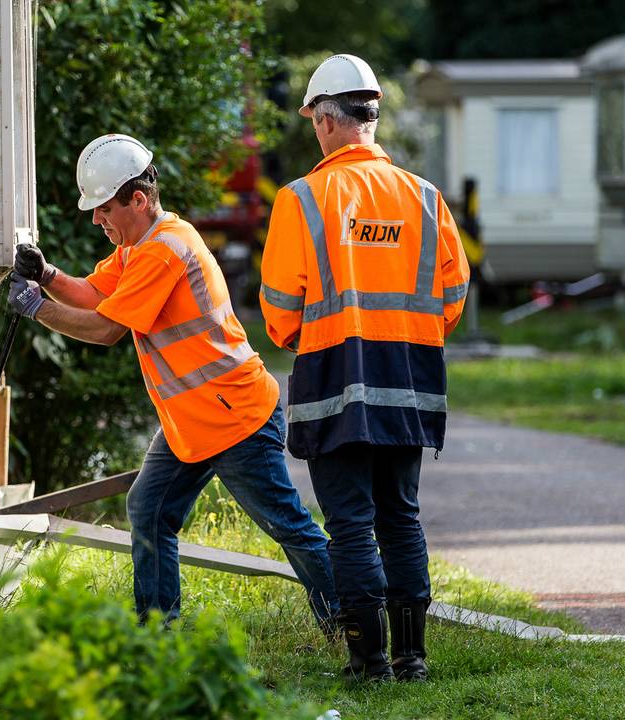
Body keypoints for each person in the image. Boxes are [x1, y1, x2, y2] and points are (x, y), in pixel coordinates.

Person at [8, 133, 339, 630]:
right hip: (196, 422)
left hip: (235, 418)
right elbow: (98, 293)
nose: (96, 219)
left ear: (137, 200)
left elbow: (106, 327)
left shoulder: (164, 250)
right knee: (148, 508)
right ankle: (158, 633)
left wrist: (35, 307)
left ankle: (354, 621)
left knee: (287, 526)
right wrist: (50, 276)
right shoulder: (140, 245)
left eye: (102, 209)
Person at [258, 54, 470, 681]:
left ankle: (368, 659)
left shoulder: (301, 199)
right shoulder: (426, 198)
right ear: (371, 118)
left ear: (325, 122)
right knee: (400, 515)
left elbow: (277, 313)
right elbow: (452, 296)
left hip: (334, 382)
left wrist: (316, 329)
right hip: (409, 380)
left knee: (349, 522)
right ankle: (413, 656)